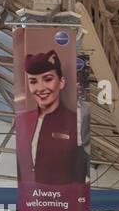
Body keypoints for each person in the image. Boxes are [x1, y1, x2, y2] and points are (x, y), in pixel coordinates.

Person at [15, 49, 81, 186]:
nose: (40, 88)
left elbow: (79, 172)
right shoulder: (22, 121)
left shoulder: (76, 122)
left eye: (48, 79)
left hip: (62, 201)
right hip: (30, 201)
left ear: (62, 82)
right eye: (33, 81)